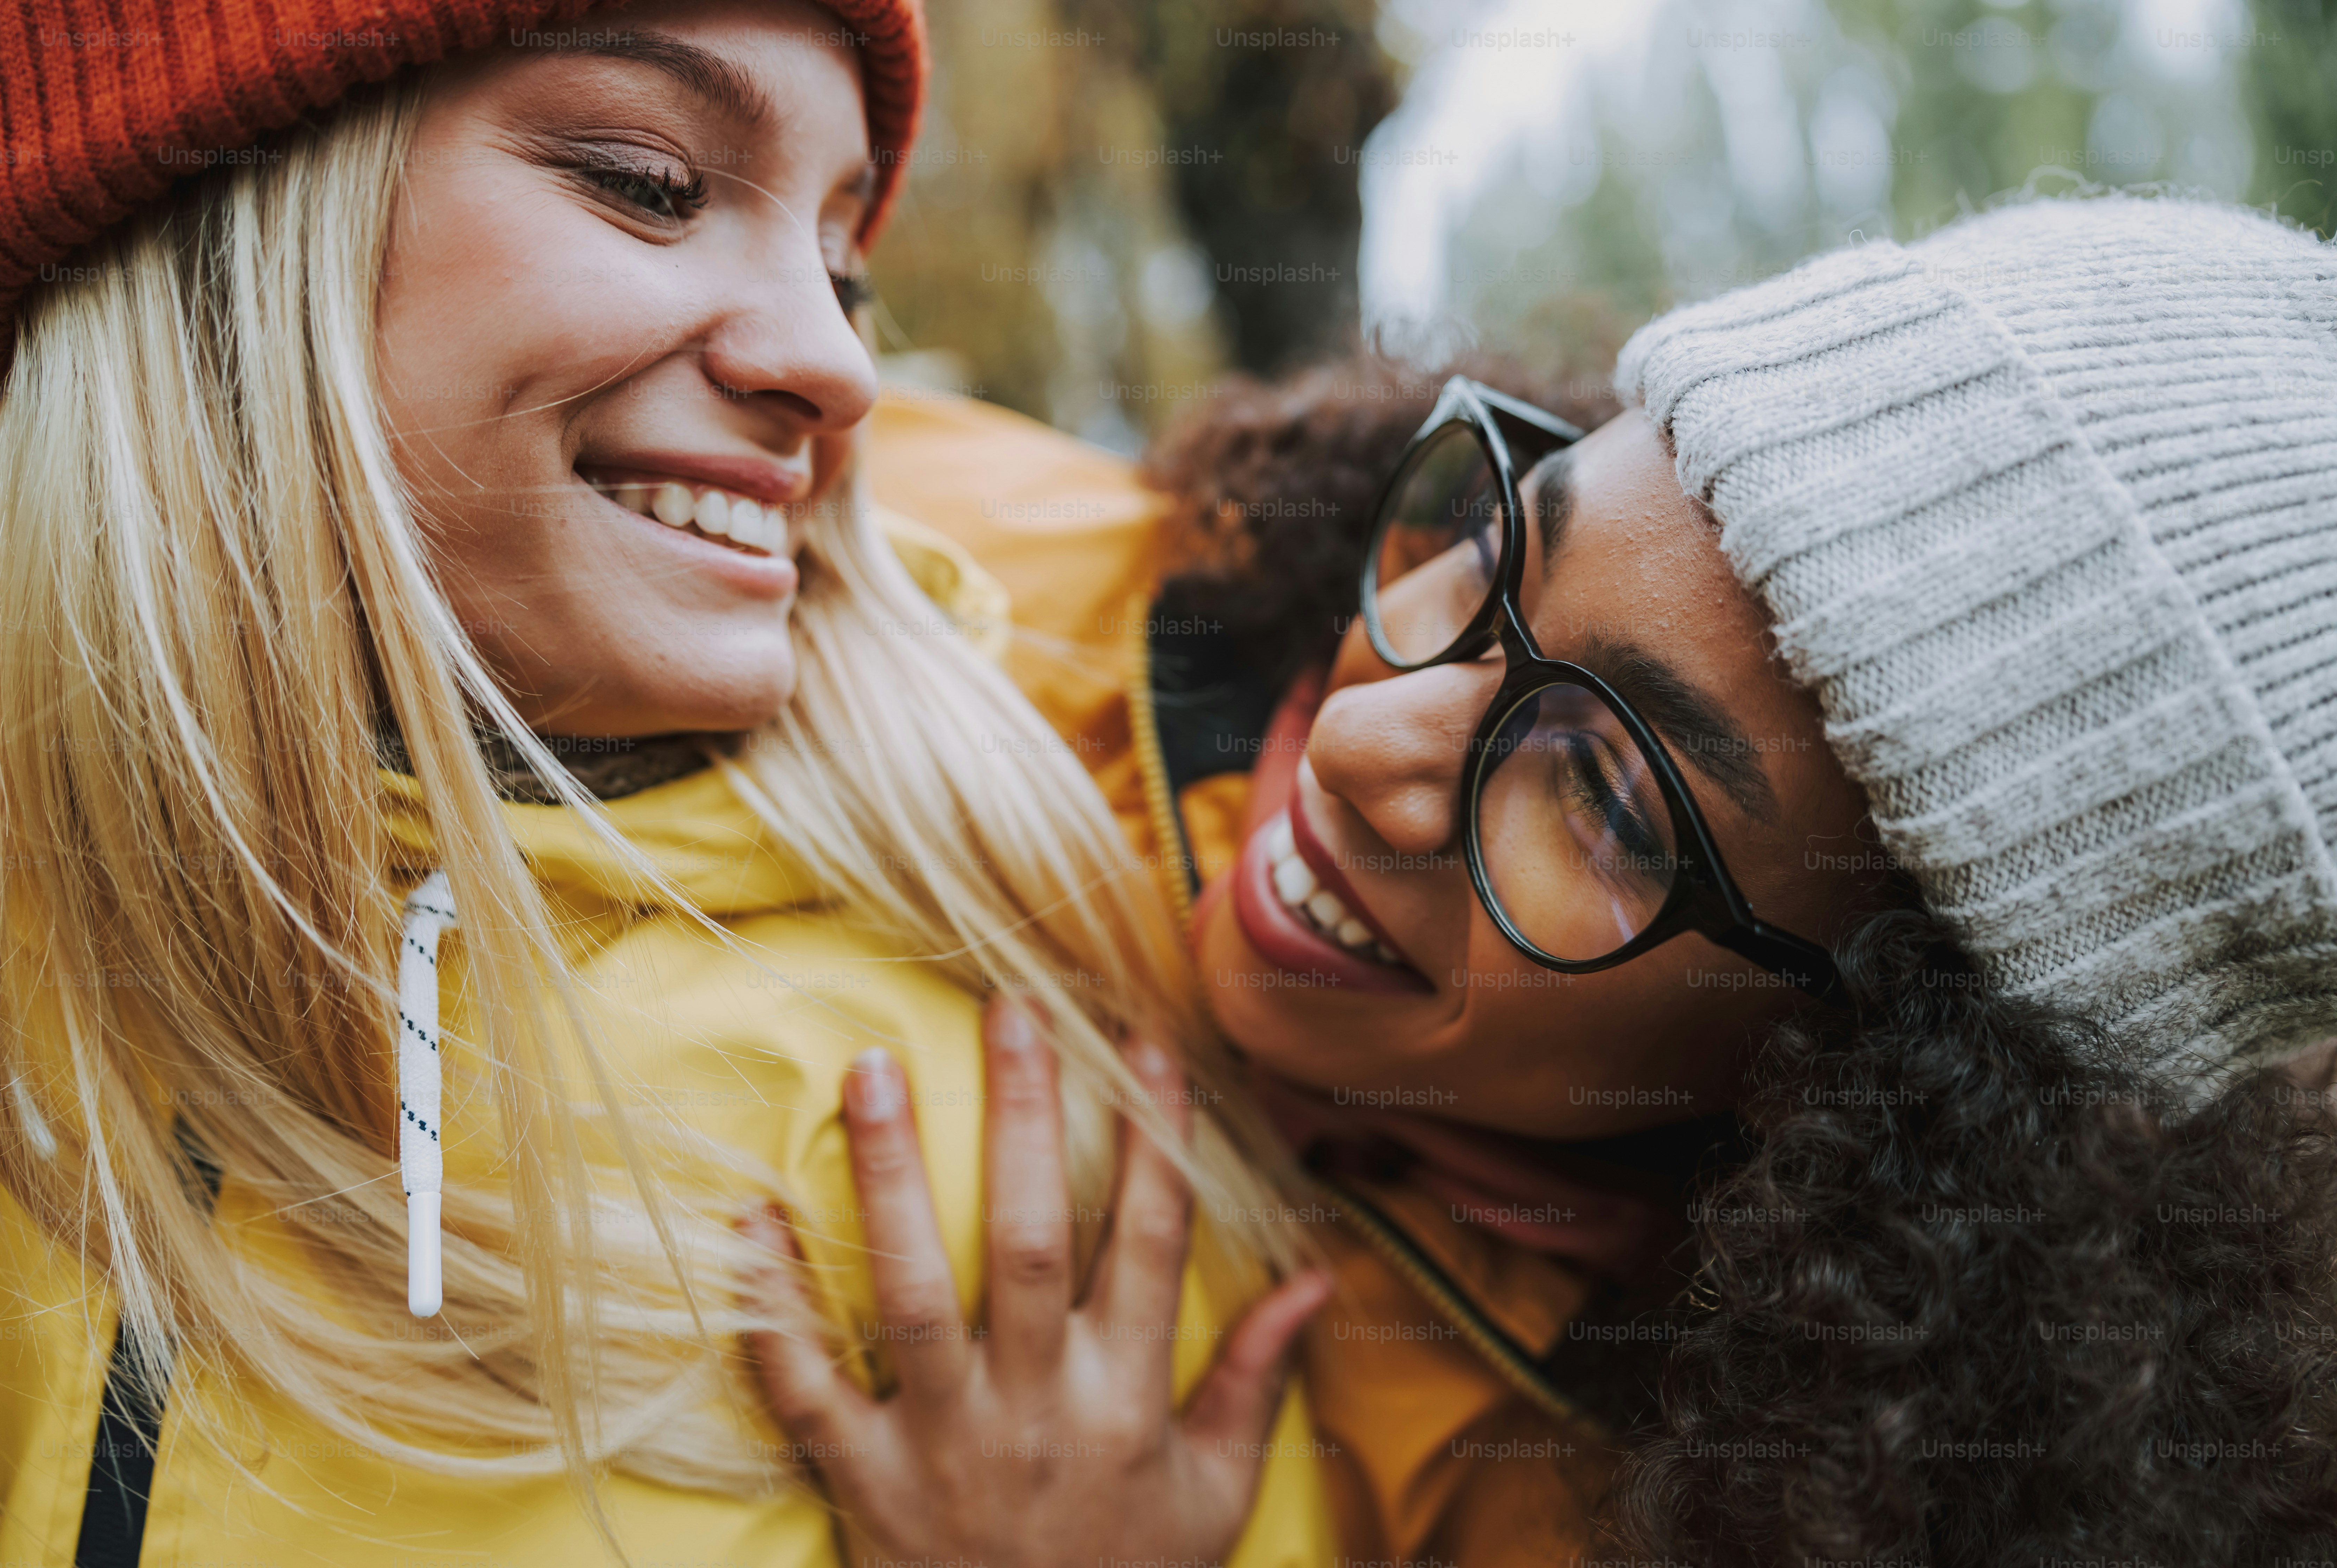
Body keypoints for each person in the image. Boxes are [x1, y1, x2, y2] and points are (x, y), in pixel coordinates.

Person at [768, 195, 2337, 1566]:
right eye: (1488, 539)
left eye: (1598, 795)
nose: (1365, 739)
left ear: (1873, 1093)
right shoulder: (905, 536)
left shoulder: (1588, 1515)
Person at [0, 4, 1338, 1565]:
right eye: (650, 183)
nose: (838, 362)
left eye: (847, 274)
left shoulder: (973, 1093)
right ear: (213, 226)